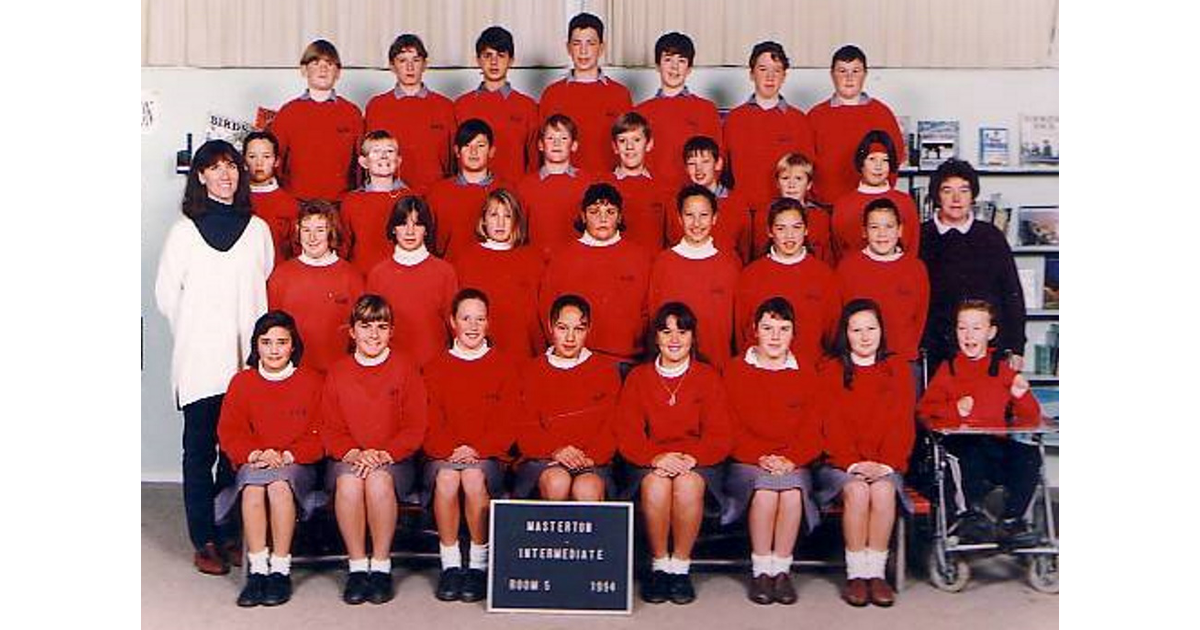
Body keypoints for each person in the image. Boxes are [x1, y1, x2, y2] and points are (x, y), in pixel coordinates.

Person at [155, 139, 275, 575]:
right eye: (216, 168)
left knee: (238, 451)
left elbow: (262, 286)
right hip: (199, 361)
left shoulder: (257, 230)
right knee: (199, 450)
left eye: (232, 166)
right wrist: (200, 334)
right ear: (200, 176)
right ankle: (203, 538)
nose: (226, 174)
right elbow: (167, 297)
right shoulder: (183, 232)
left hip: (244, 363)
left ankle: (229, 533)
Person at [616, 302, 733, 605]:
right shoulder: (639, 378)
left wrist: (690, 459)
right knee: (656, 485)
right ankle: (659, 567)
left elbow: (720, 436)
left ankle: (680, 568)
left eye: (683, 331)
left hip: (697, 462)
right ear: (656, 337)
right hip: (649, 461)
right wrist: (656, 458)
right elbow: (628, 435)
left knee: (687, 485)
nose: (675, 339)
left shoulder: (707, 376)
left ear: (693, 337)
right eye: (666, 332)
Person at [321, 295, 428, 605]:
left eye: (382, 327)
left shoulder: (405, 368)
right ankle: (357, 567)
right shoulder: (338, 371)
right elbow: (329, 427)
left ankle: (380, 566)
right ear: (352, 332)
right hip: (349, 458)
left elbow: (415, 427)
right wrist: (354, 453)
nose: (373, 335)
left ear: (391, 331)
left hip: (394, 461)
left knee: (379, 481)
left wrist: (383, 454)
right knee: (350, 483)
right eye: (365, 326)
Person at [216, 311, 324, 607]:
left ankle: (280, 569)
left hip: (295, 464)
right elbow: (230, 431)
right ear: (256, 346)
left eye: (281, 342)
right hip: (256, 461)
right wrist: (254, 453)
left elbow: (321, 433)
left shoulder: (311, 382)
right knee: (252, 490)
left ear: (293, 346)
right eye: (266, 342)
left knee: (278, 489)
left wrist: (288, 455)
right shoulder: (242, 382)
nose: (274, 349)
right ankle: (258, 570)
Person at [816, 299, 916, 608]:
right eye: (856, 329)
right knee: (858, 492)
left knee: (884, 492)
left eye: (871, 328)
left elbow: (902, 423)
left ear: (881, 331)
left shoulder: (896, 369)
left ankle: (877, 574)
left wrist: (885, 464)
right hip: (841, 463)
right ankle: (856, 574)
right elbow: (829, 425)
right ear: (845, 333)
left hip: (886, 463)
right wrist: (855, 463)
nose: (864, 336)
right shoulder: (831, 370)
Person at [917, 299, 1043, 546]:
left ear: (991, 332)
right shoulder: (949, 369)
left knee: (1029, 456)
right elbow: (924, 411)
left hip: (995, 447)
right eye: (962, 328)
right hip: (962, 448)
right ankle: (970, 516)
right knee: (969, 453)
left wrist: (1021, 395)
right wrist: (955, 410)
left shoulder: (1002, 369)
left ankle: (1011, 521)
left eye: (976, 328)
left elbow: (1031, 417)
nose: (969, 334)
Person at [722, 298, 822, 605]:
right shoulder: (736, 369)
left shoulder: (805, 370)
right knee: (766, 491)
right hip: (748, 462)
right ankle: (761, 571)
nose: (776, 336)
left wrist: (791, 459)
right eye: (768, 328)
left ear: (794, 333)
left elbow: (814, 427)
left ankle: (782, 570)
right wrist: (759, 457)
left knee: (791, 492)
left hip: (793, 461)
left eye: (783, 329)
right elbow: (728, 425)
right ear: (755, 331)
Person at [422, 289, 519, 603]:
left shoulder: (503, 365)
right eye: (466, 318)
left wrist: (477, 449)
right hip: (443, 454)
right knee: (449, 478)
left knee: (474, 477)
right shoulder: (435, 367)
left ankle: (477, 564)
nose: (473, 326)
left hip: (486, 456)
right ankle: (451, 564)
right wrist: (453, 449)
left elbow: (508, 424)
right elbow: (429, 422)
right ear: (453, 322)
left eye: (480, 319)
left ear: (489, 324)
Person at [918, 158, 1026, 372]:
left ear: (973, 195)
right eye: (948, 190)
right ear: (937, 196)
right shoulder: (922, 236)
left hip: (986, 348)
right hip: (934, 348)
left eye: (964, 191)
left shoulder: (991, 236)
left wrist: (1016, 346)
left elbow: (1011, 293)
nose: (956, 199)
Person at [514, 294, 621, 500]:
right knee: (557, 481)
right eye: (563, 328)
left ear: (588, 330)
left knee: (587, 487)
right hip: (543, 460)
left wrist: (590, 458)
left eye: (579, 329)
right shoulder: (531, 371)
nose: (570, 338)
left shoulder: (604, 370)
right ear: (550, 327)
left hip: (591, 462)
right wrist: (556, 450)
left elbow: (612, 425)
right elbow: (523, 427)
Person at [540, 182, 652, 365]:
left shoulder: (640, 257)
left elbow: (649, 310)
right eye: (594, 212)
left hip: (627, 360)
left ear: (620, 217)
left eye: (610, 212)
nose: (602, 219)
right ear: (583, 216)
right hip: (575, 358)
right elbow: (548, 308)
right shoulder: (563, 258)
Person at [735, 198, 841, 369]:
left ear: (806, 230)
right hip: (761, 374)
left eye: (796, 227)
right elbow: (742, 332)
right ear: (770, 231)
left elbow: (833, 333)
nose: (789, 235)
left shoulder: (823, 275)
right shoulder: (751, 275)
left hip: (812, 373)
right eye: (781, 228)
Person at [835, 197, 929, 386]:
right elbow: (840, 315)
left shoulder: (915, 268)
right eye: (874, 227)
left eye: (889, 226)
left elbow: (920, 316)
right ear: (864, 231)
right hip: (859, 362)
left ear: (900, 230)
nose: (882, 234)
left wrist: (906, 350)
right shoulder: (848, 268)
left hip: (903, 361)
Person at [722, 41, 816, 225]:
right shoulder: (734, 119)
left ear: (784, 76)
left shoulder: (799, 120)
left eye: (777, 70)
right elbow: (724, 171)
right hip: (743, 214)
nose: (770, 77)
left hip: (784, 218)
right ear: (751, 74)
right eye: (763, 69)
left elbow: (808, 172)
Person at [267, 200, 364, 374]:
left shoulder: (351, 277)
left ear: (331, 232)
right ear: (298, 232)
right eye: (306, 230)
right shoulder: (281, 276)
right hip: (294, 376)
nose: (312, 238)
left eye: (320, 230)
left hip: (339, 375)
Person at [649, 185, 741, 369]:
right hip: (673, 365)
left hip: (718, 364)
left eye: (704, 215)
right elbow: (654, 317)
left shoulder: (730, 263)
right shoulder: (664, 262)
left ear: (715, 218)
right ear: (680, 219)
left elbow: (737, 324)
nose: (696, 223)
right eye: (689, 215)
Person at [364, 196, 459, 368]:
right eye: (403, 224)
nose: (410, 232)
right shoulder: (378, 274)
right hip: (391, 370)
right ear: (393, 229)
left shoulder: (445, 272)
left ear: (427, 229)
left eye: (417, 224)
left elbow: (455, 328)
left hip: (436, 366)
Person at [450, 189, 545, 358]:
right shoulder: (467, 260)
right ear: (484, 220)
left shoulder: (533, 260)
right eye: (494, 215)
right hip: (479, 352)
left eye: (507, 216)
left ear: (516, 221)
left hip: (522, 351)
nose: (500, 223)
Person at [808, 44, 906, 206]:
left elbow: (895, 160)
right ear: (832, 75)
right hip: (825, 206)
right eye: (842, 71)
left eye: (855, 71)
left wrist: (880, 199)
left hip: (871, 208)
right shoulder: (815, 116)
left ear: (865, 74)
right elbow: (804, 164)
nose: (849, 78)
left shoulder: (882, 114)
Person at [538, 12, 633, 174]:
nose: (583, 51)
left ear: (601, 48)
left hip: (606, 189)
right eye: (577, 43)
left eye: (590, 43)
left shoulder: (620, 95)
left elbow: (631, 146)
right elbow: (539, 149)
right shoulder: (552, 94)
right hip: (563, 185)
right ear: (568, 47)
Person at [269, 39, 363, 201]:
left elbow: (361, 165)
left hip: (340, 203)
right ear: (304, 70)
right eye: (315, 63)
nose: (323, 69)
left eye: (329, 63)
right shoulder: (287, 113)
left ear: (338, 72)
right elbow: (275, 162)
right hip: (297, 202)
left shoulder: (352, 113)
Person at [364, 33, 457, 193]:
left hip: (435, 195)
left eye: (416, 60)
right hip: (389, 196)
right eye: (402, 61)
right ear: (392, 66)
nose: (410, 67)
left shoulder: (445, 106)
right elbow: (368, 158)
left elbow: (455, 161)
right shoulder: (377, 107)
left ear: (425, 64)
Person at [635, 31, 723, 193]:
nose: (674, 67)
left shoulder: (706, 110)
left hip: (694, 199)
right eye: (668, 60)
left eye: (681, 61)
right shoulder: (640, 112)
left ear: (689, 68)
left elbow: (716, 161)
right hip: (652, 194)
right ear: (657, 65)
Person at [454, 25, 539, 185]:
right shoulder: (461, 106)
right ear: (478, 60)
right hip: (469, 192)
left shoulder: (527, 107)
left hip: (512, 198)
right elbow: (454, 159)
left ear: (511, 60)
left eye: (501, 55)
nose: (494, 62)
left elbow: (534, 161)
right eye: (487, 55)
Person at [830, 130, 920, 264]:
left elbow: (912, 248)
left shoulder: (905, 202)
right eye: (872, 159)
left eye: (885, 160)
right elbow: (838, 250)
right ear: (861, 162)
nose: (878, 166)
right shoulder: (843, 204)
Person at [517, 114, 596, 259]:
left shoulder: (588, 183)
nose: (556, 143)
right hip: (536, 262)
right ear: (540, 145)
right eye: (550, 138)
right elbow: (519, 233)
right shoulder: (525, 186)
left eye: (563, 138)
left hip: (578, 261)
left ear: (574, 145)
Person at [425, 118, 507, 257]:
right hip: (450, 273)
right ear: (457, 151)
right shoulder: (437, 193)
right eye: (467, 145)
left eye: (480, 145)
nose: (473, 152)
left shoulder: (507, 191)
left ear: (491, 151)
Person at [341, 130, 416, 278]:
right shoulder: (351, 201)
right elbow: (344, 246)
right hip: (362, 275)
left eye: (390, 151)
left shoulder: (411, 198)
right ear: (363, 162)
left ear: (399, 160)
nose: (384, 156)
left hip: (401, 275)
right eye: (376, 151)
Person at [672, 135, 753, 264]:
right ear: (686, 168)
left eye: (705, 162)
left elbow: (745, 250)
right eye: (692, 164)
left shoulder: (737, 204)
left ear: (718, 164)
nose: (699, 169)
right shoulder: (678, 203)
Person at [602, 112, 669, 251]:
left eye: (636, 140)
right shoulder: (602, 187)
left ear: (649, 144)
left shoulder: (664, 188)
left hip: (652, 268)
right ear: (615, 147)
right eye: (622, 141)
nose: (629, 147)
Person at [243, 131, 299, 265]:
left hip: (277, 279)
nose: (259, 163)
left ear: (276, 161)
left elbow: (296, 252)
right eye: (252, 156)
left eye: (266, 156)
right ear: (244, 161)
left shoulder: (289, 204)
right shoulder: (233, 199)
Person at [772, 152, 832, 263]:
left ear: (809, 184)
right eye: (785, 178)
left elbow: (827, 257)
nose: (791, 184)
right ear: (777, 183)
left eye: (798, 179)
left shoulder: (821, 217)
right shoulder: (765, 215)